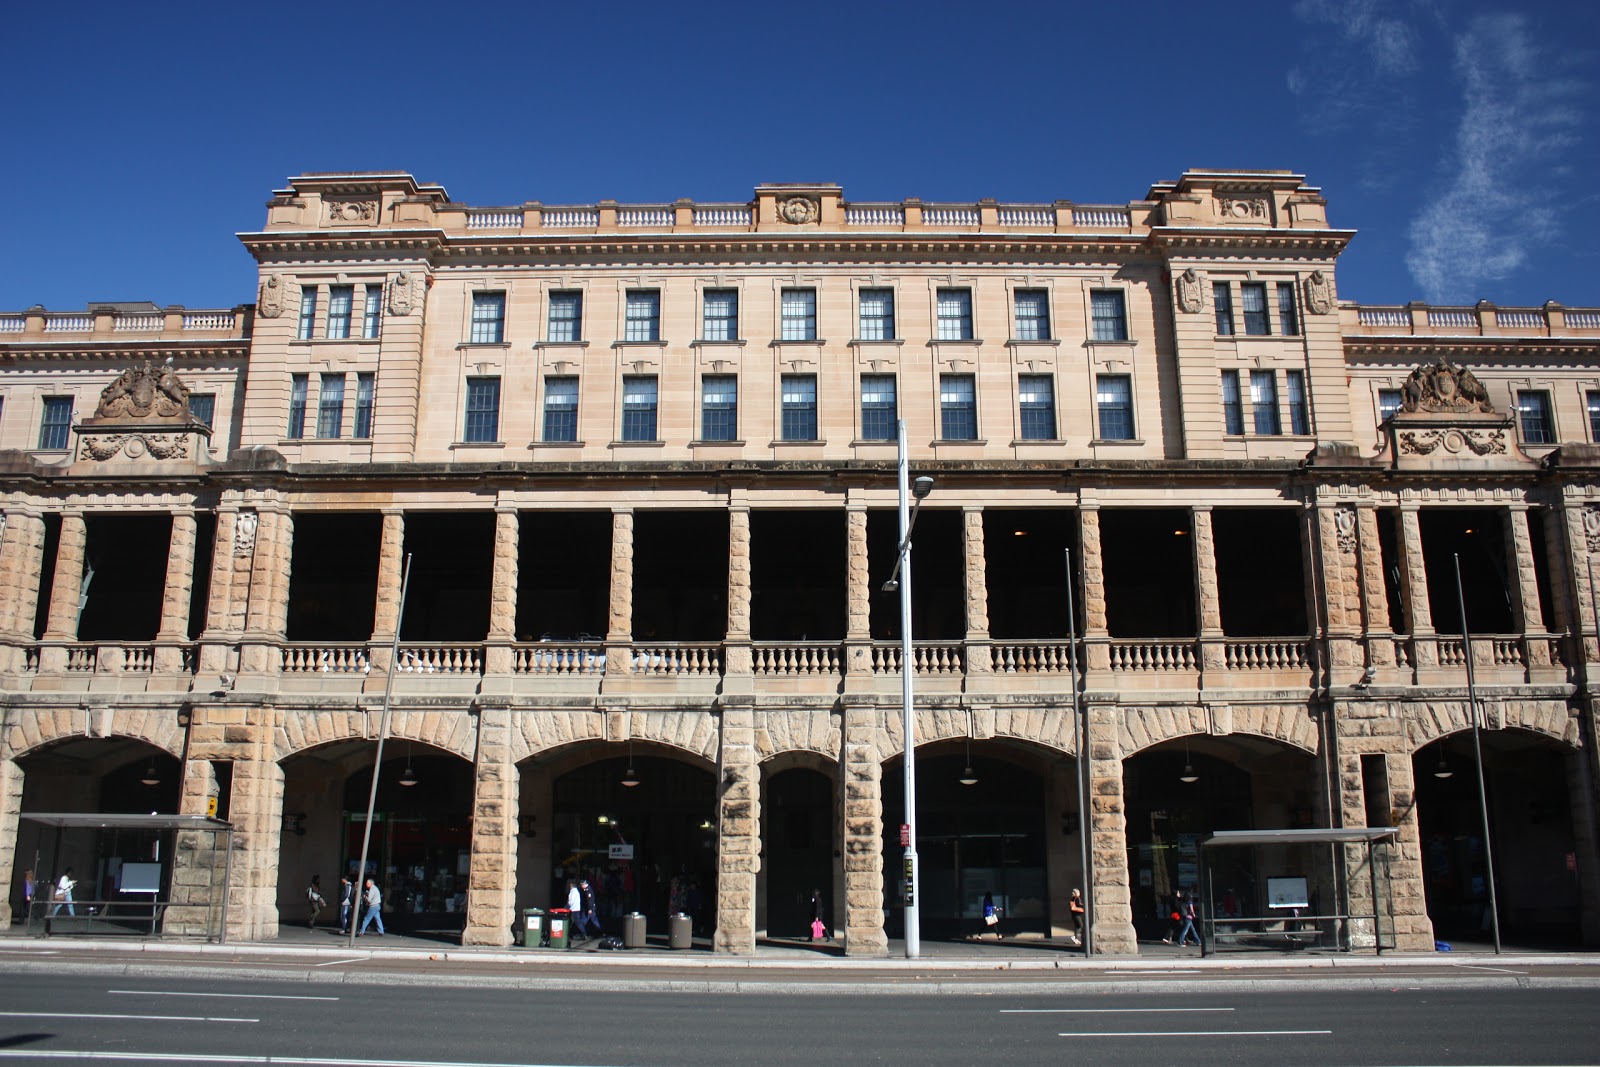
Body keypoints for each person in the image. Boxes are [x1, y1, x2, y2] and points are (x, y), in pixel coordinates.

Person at [565, 880, 583, 946]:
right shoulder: (576, 892)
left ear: (571, 885)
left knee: (576, 922)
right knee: (575, 922)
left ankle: (583, 933)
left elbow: (571, 901)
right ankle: (576, 933)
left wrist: (566, 907)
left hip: (573, 909)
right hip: (576, 909)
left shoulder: (573, 892)